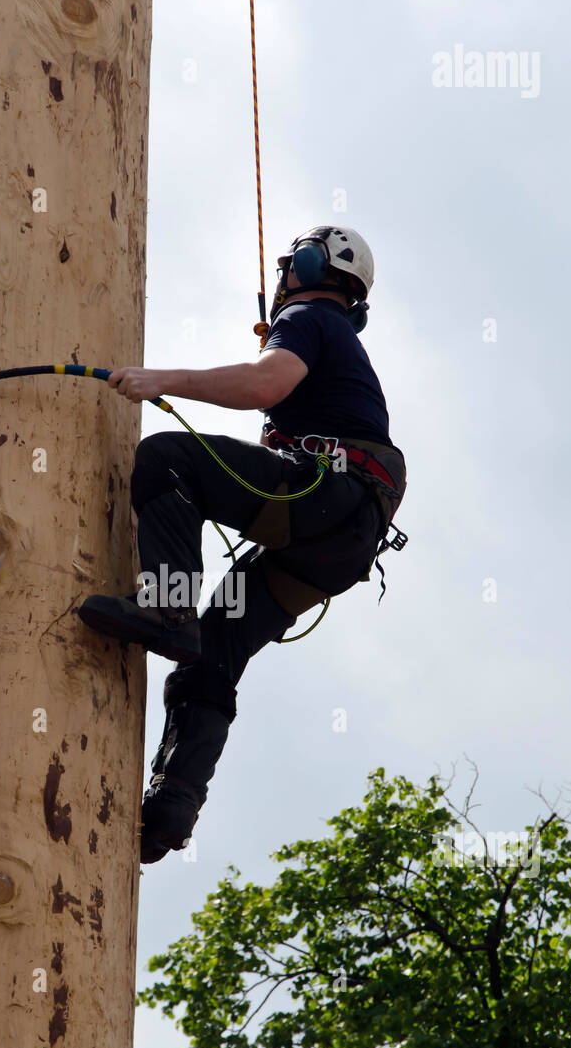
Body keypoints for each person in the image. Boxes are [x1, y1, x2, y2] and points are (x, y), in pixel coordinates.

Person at [78, 225, 407, 863]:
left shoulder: (312, 317)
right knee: (217, 644)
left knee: (169, 461)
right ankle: (171, 806)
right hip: (341, 541)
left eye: (293, 263)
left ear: (316, 269)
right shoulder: (332, 340)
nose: (283, 275)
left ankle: (166, 605)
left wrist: (159, 380)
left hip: (326, 498)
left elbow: (263, 384)